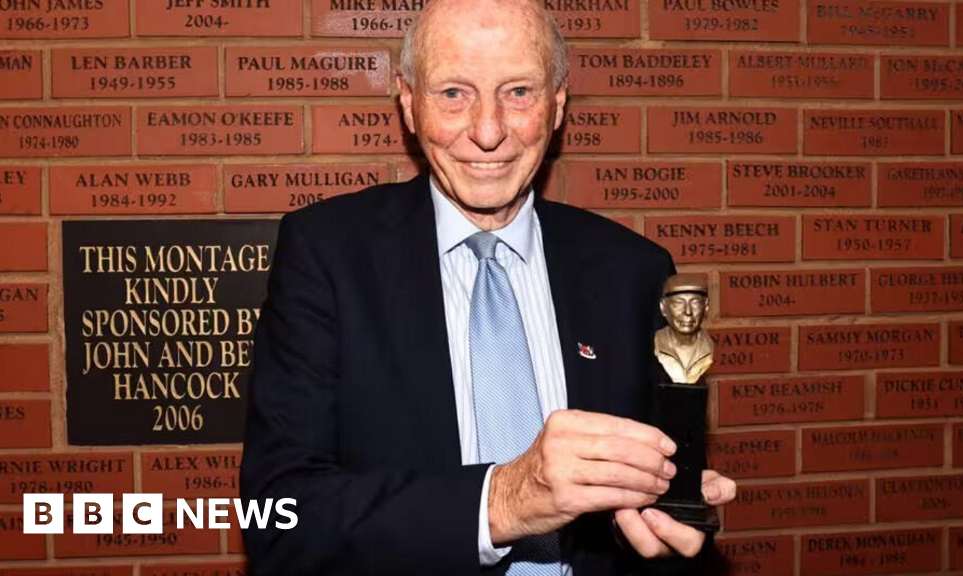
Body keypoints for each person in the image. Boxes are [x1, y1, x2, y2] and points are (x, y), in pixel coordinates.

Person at [239, 0, 736, 574]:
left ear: (557, 104)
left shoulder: (635, 270)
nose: (488, 131)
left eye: (518, 92)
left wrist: (659, 515)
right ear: (408, 103)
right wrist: (503, 502)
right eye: (454, 93)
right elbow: (277, 518)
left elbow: (645, 505)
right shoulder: (327, 255)